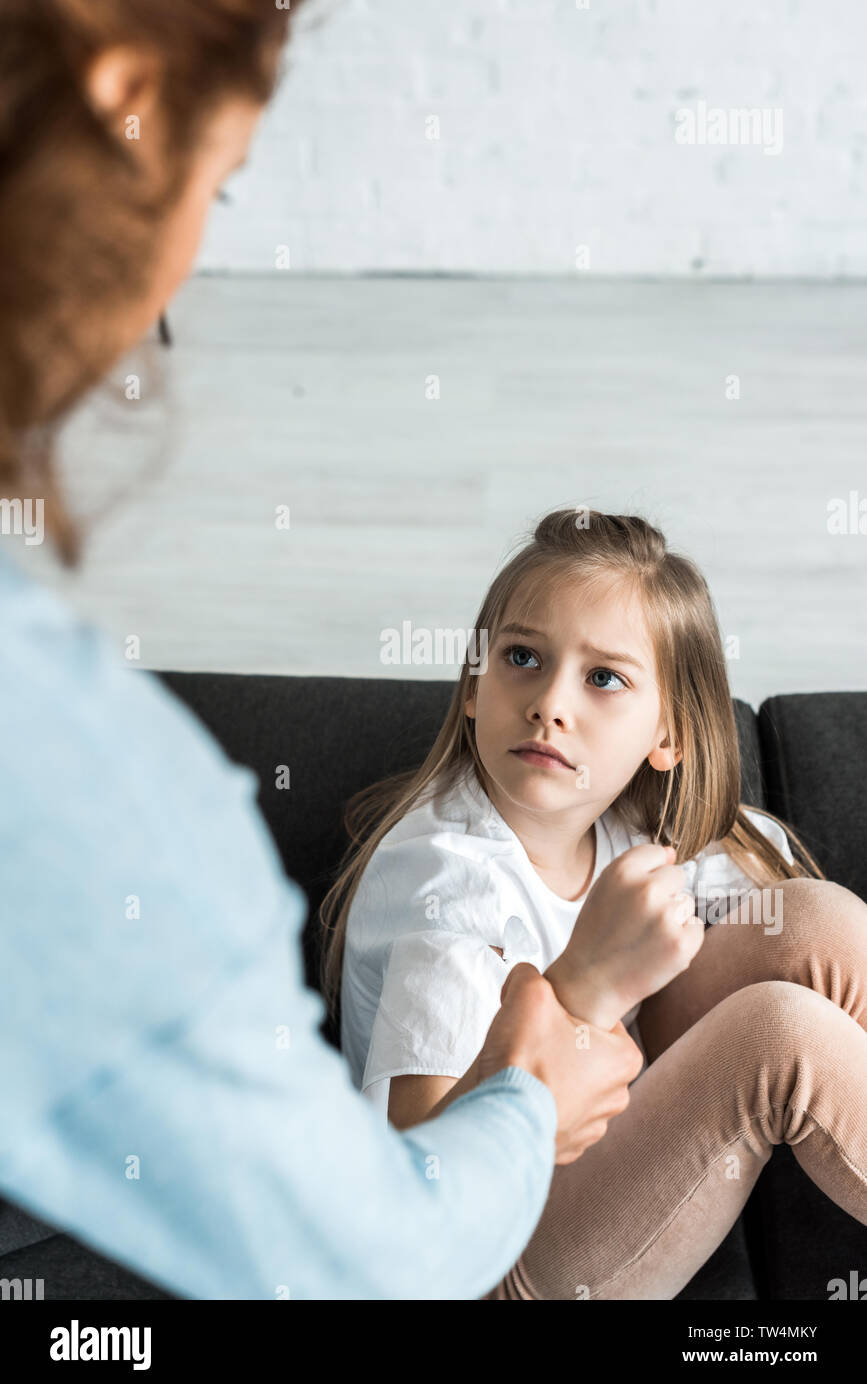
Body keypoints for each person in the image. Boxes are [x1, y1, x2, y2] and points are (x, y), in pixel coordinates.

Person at [0, 0, 670, 1300]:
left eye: (604, 675)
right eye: (222, 184)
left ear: (662, 732)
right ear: (124, 108)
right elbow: (361, 1262)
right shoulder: (91, 791)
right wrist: (526, 1089)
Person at [328, 507, 867, 1298]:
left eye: (603, 678)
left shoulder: (613, 821)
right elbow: (428, 1196)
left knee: (808, 918)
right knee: (776, 1034)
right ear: (474, 685)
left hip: (577, 1160)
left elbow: (768, 876)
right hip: (484, 1264)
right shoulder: (448, 886)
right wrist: (585, 990)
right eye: (521, 657)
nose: (550, 702)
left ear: (667, 737)